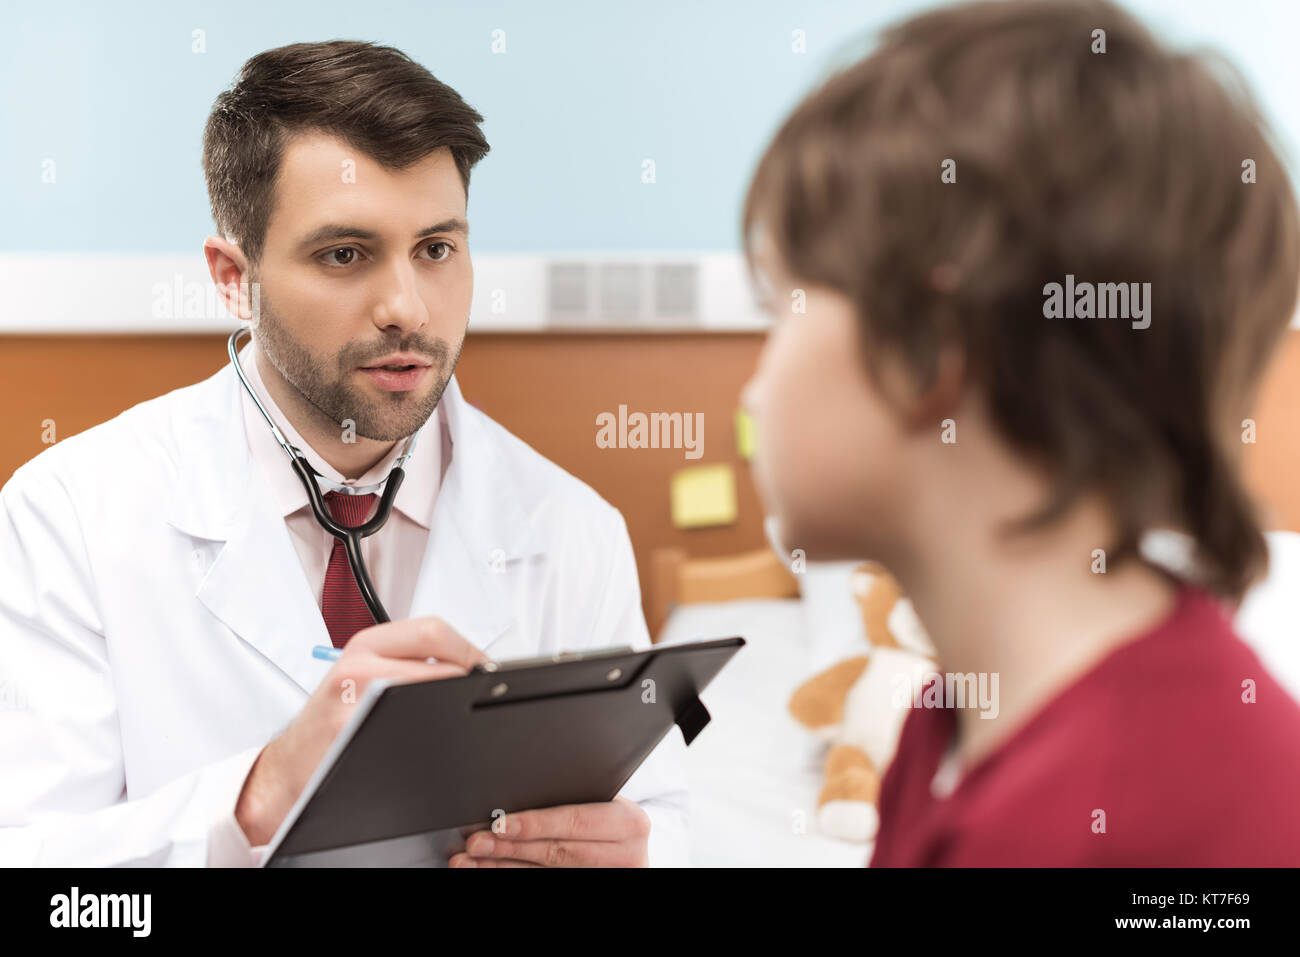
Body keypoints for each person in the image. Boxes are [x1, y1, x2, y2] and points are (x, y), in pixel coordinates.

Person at [0, 40, 688, 867]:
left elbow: (666, 815)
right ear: (232, 277)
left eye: (436, 249)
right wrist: (254, 800)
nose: (406, 306)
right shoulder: (66, 518)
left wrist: (638, 858)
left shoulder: (573, 531)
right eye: (345, 254)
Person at [739, 0, 1300, 865]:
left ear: (929, 352)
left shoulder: (1167, 805)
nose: (754, 390)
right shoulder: (943, 725)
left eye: (779, 311)